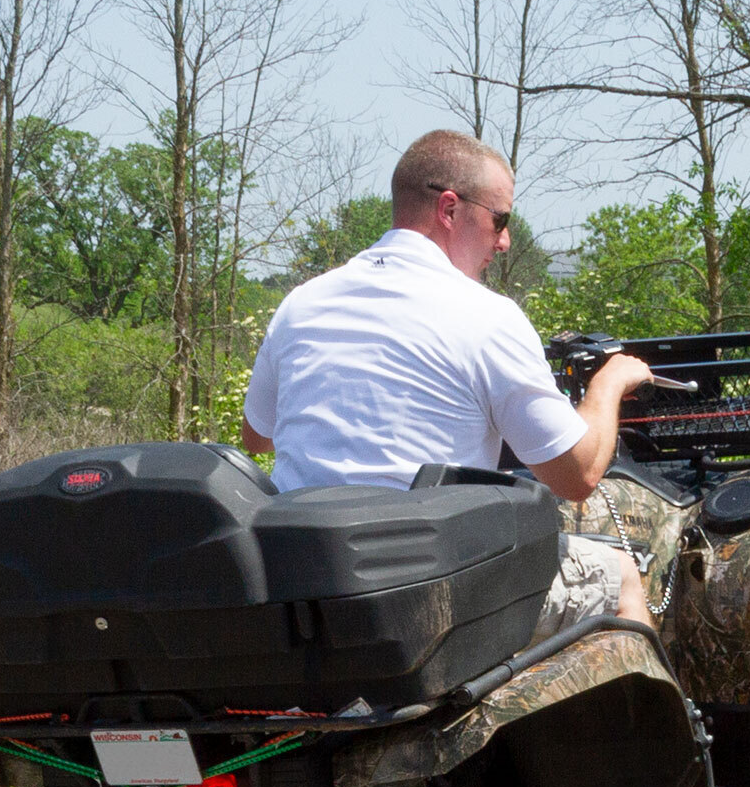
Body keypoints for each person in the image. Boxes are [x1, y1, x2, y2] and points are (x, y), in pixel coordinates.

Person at [240, 128, 654, 628]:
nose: (505, 241)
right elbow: (578, 475)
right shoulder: (486, 316)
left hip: (305, 590)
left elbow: (258, 437)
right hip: (426, 594)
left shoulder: (301, 303)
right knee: (620, 577)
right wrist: (610, 383)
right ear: (450, 209)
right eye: (500, 219)